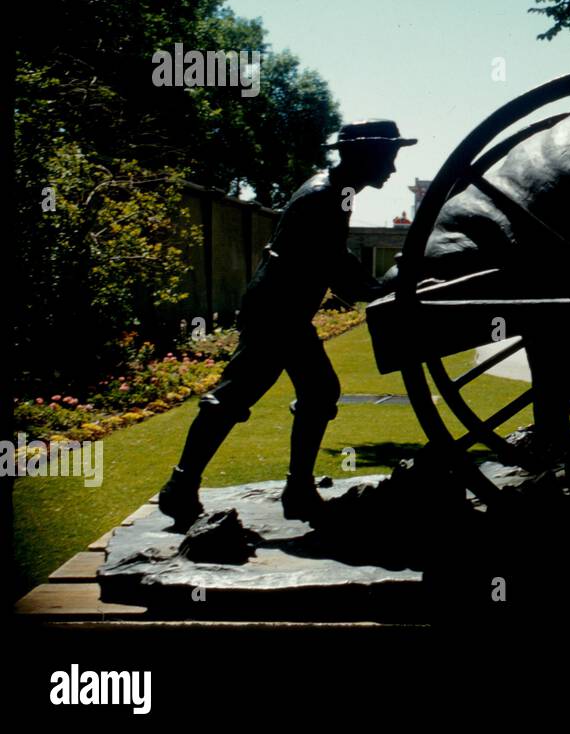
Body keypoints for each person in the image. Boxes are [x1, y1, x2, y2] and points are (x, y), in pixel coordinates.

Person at [158, 119, 418, 526]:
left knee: (316, 392)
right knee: (234, 397)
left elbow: (336, 254)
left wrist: (370, 282)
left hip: (285, 311)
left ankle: (294, 490)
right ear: (364, 155)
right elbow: (337, 268)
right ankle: (181, 487)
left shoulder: (337, 192)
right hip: (276, 311)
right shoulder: (323, 197)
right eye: (389, 157)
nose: (392, 168)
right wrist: (385, 282)